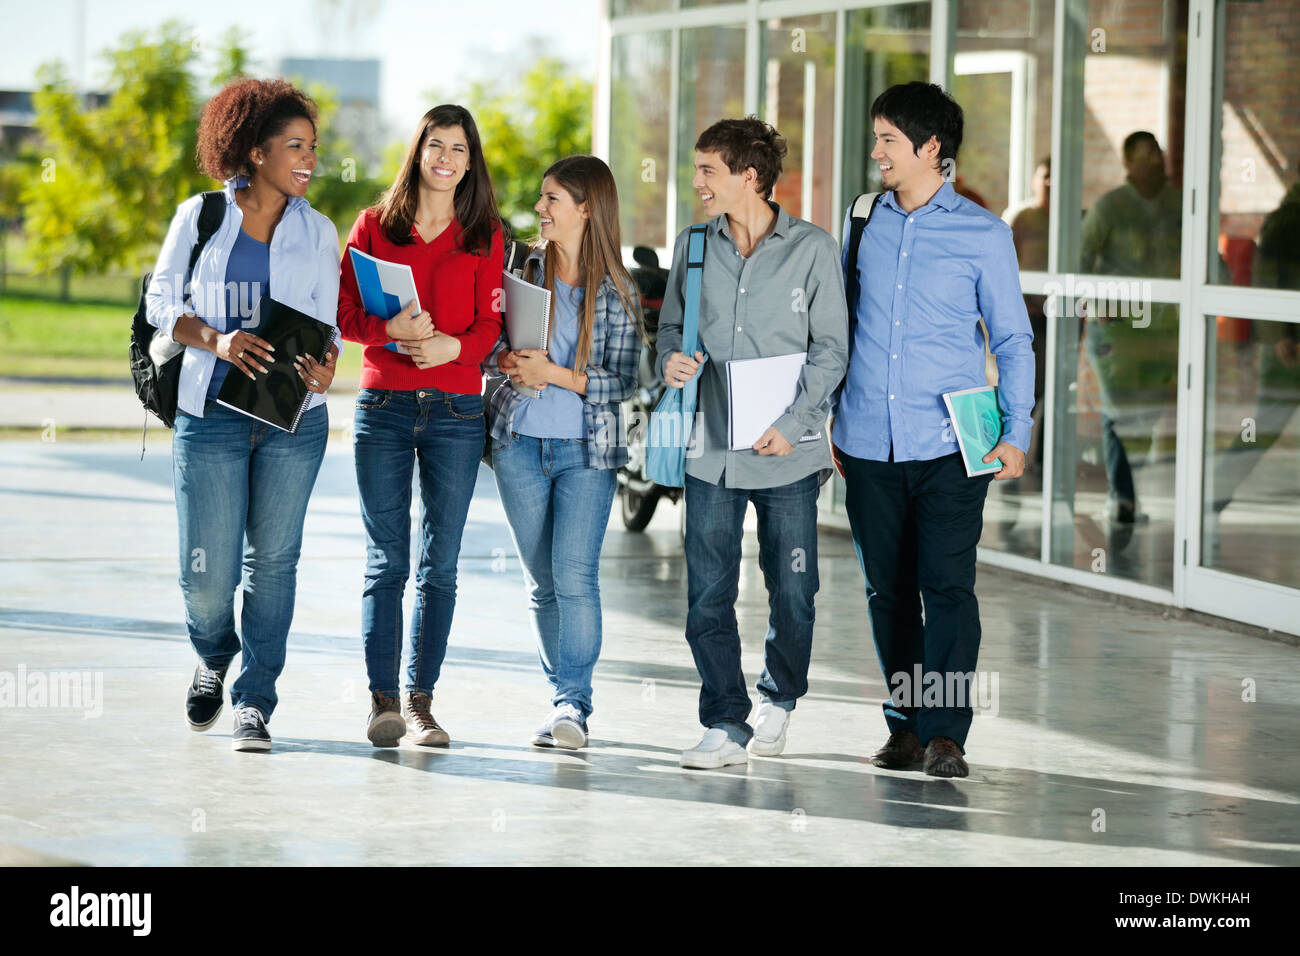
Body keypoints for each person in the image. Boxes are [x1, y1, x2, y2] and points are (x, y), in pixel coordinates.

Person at [832, 82, 1034, 777]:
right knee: (887, 591)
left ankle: (946, 731)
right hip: (866, 440)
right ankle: (905, 727)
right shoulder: (862, 222)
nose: (877, 151)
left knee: (947, 588)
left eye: (889, 138)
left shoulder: (983, 233)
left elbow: (1013, 341)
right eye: (878, 137)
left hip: (953, 444)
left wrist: (1018, 431)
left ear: (930, 147)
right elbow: (840, 327)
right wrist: (830, 415)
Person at [146, 78, 341, 753]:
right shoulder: (200, 216)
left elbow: (329, 321)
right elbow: (161, 305)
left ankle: (255, 701)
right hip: (212, 413)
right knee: (207, 575)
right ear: (255, 153)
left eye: (313, 147)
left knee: (275, 563)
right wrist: (219, 341)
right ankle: (212, 649)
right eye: (295, 146)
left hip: (294, 418)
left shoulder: (318, 230)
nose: (309, 158)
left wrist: (329, 363)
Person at [657, 116, 849, 770]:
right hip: (710, 448)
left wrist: (792, 421)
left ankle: (780, 697)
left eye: (708, 170)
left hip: (788, 454)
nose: (697, 182)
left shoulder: (814, 249)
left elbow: (832, 350)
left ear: (749, 176)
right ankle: (725, 721)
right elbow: (672, 331)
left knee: (793, 589)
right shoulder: (693, 246)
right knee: (706, 591)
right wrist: (671, 363)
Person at [337, 105, 504, 748]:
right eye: (437, 145)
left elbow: (491, 329)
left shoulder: (486, 234)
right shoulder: (374, 226)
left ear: (471, 160)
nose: (447, 159)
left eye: (460, 149)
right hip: (384, 407)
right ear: (418, 151)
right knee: (388, 561)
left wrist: (451, 351)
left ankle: (422, 701)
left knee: (442, 564)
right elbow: (345, 313)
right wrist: (391, 332)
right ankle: (383, 703)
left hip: (457, 413)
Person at [483, 156, 643, 750]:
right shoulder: (518, 268)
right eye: (541, 198)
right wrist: (508, 365)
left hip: (586, 451)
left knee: (574, 577)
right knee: (541, 582)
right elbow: (488, 346)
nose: (540, 210)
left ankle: (572, 703)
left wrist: (554, 372)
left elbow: (622, 381)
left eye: (552, 199)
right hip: (519, 443)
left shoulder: (618, 289)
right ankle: (560, 698)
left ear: (586, 208)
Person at [1079, 131, 1181, 525]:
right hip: (1118, 329)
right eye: (1147, 156)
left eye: (1159, 154)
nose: (1156, 162)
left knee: (1147, 413)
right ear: (1128, 163)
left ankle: (1125, 494)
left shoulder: (1178, 205)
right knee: (1117, 411)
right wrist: (1093, 303)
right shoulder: (1110, 208)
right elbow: (1080, 261)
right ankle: (1121, 498)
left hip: (1164, 330)